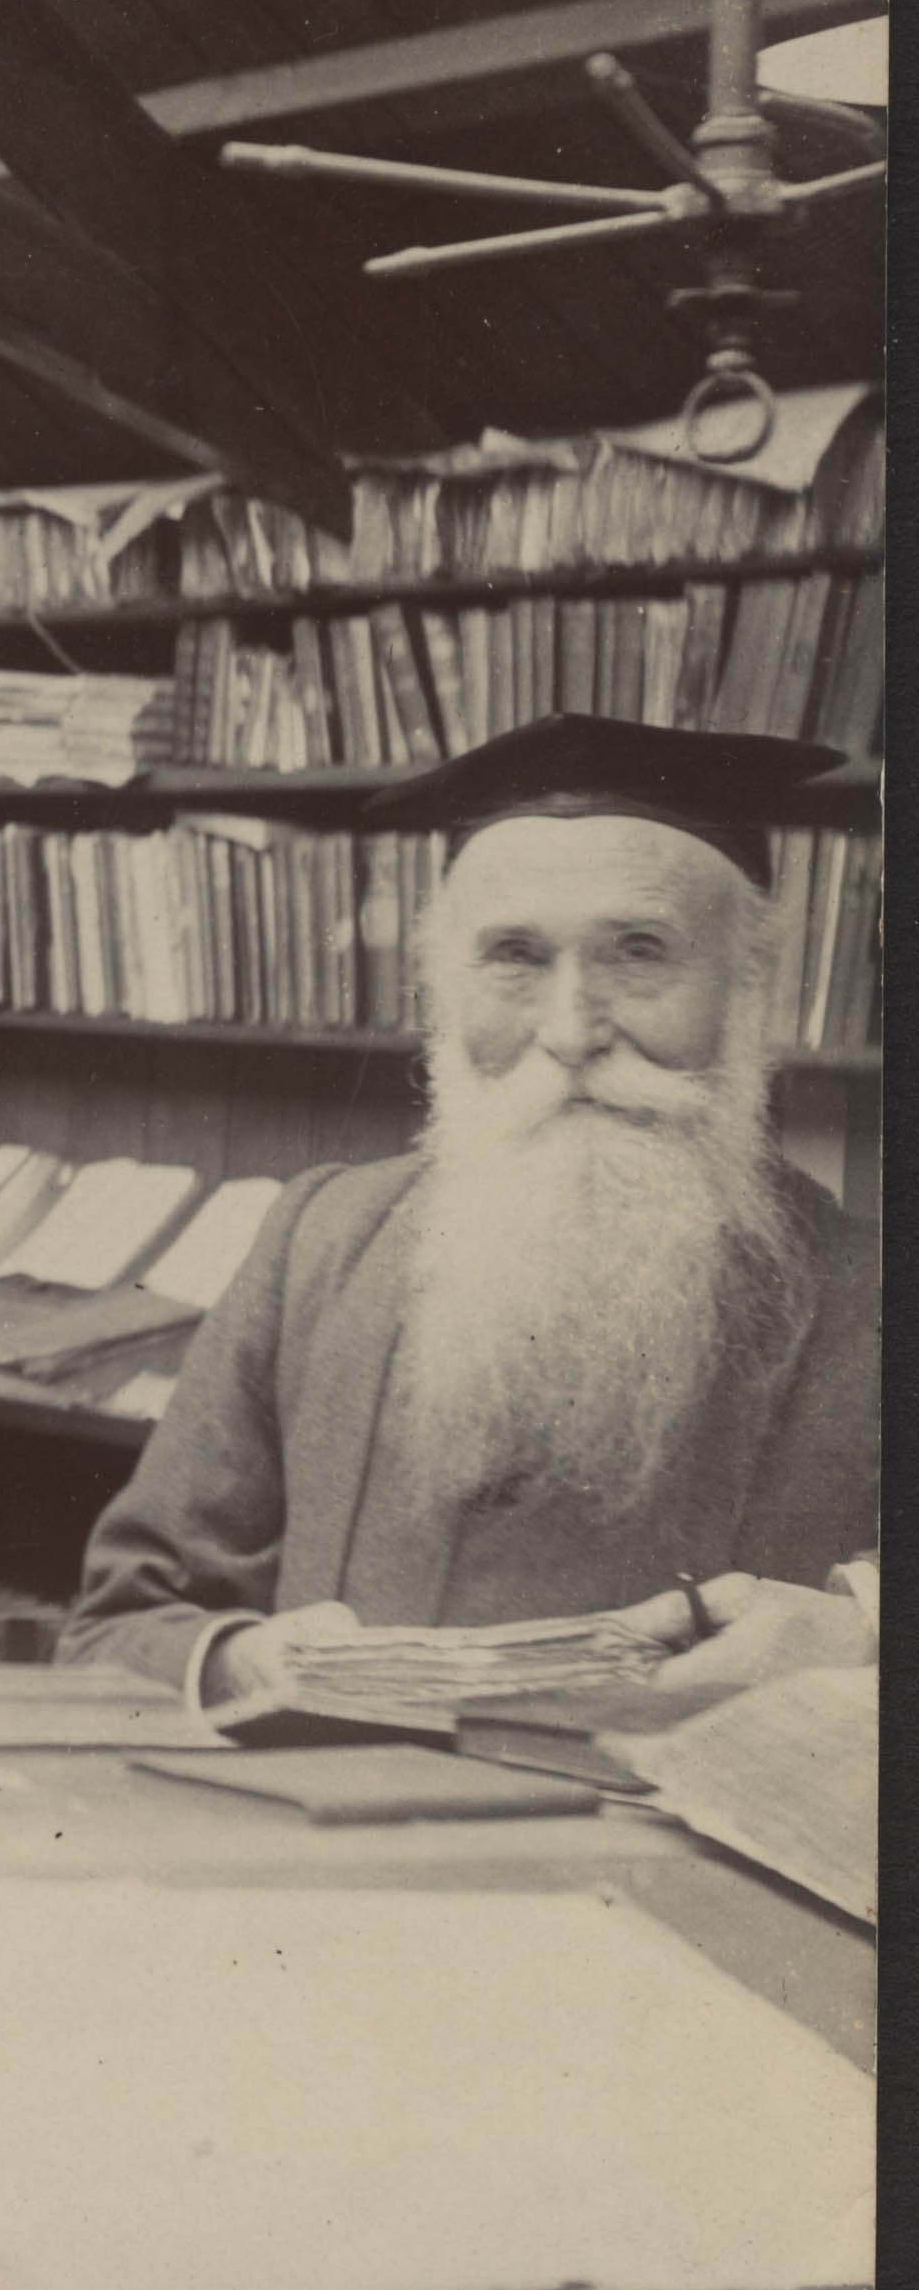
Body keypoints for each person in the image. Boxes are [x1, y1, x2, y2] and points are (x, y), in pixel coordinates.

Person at [63, 716, 879, 1705]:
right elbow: (117, 1628)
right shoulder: (320, 1240)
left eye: (639, 950)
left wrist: (863, 1637)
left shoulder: (876, 1299)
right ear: (443, 986)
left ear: (746, 987)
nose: (570, 1030)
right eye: (514, 956)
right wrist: (244, 1663)